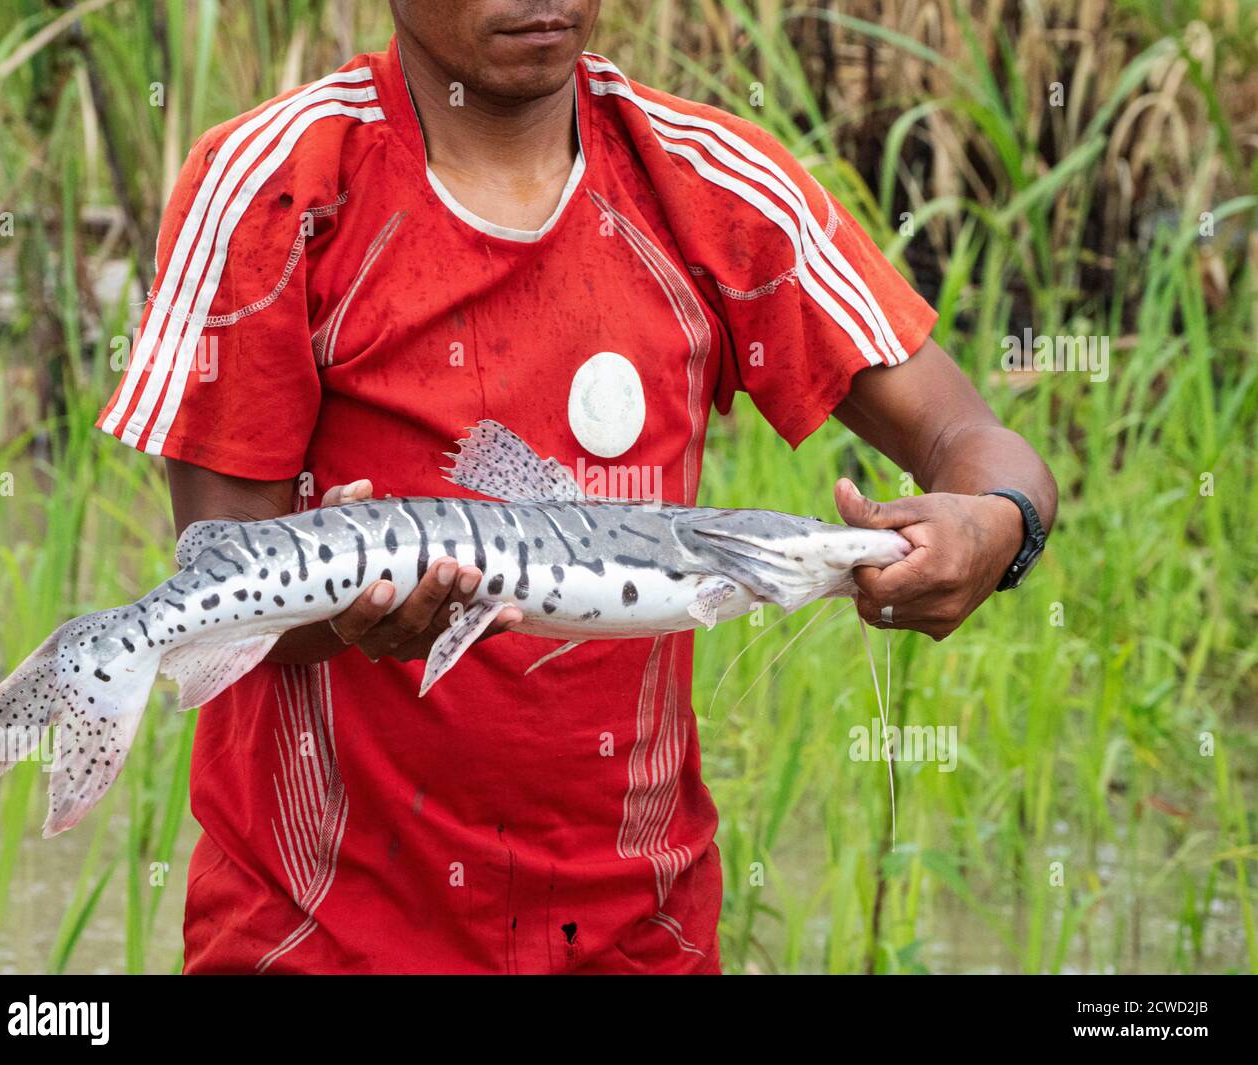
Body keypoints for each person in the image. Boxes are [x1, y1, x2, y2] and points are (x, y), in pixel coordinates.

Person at [97, 0, 1056, 973]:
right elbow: (219, 597)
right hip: (317, 937)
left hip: (636, 935)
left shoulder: (711, 184)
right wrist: (360, 613)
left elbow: (968, 436)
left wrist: (993, 526)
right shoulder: (269, 185)